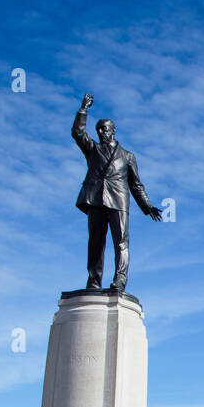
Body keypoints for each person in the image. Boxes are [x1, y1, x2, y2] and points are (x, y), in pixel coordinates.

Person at [72, 92, 163, 292]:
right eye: (98, 130)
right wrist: (83, 110)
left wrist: (147, 206)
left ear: (113, 131)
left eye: (104, 129)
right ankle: (94, 281)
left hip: (119, 200)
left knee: (121, 243)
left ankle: (120, 280)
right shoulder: (92, 150)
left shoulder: (128, 156)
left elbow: (136, 185)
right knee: (95, 243)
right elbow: (78, 134)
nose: (101, 133)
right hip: (95, 199)